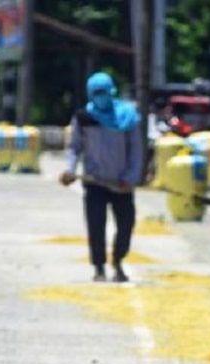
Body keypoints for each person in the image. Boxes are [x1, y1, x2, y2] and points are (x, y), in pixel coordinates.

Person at [60, 72, 144, 283]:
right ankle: (98, 266)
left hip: (121, 183)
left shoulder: (127, 116)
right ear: (90, 94)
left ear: (111, 92)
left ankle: (118, 260)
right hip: (94, 181)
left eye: (103, 92)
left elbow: (136, 151)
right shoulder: (83, 118)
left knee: (126, 223)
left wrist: (130, 177)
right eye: (96, 93)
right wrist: (69, 170)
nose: (101, 96)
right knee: (96, 224)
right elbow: (74, 148)